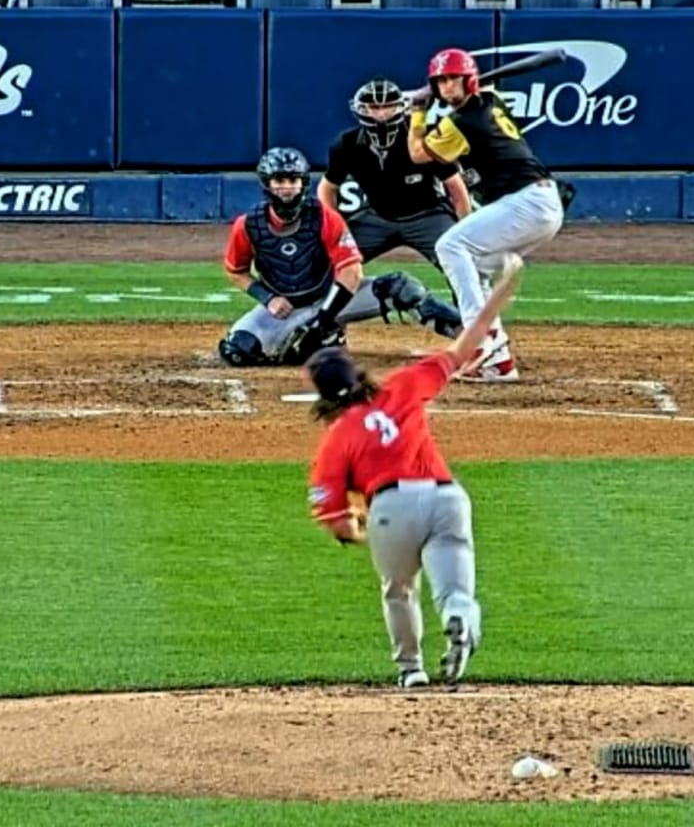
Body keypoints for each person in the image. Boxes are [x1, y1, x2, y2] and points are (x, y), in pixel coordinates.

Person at [303, 251, 525, 689]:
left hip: (391, 507)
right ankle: (461, 616)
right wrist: (505, 287)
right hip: (447, 498)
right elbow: (467, 342)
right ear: (359, 374)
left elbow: (337, 522)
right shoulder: (404, 386)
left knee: (399, 590)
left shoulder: (338, 436)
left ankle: (412, 671)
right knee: (454, 589)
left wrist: (366, 528)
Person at [217, 146, 462, 368]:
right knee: (238, 350)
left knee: (403, 288)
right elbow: (235, 270)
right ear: (267, 185)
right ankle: (325, 341)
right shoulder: (248, 225)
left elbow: (351, 271)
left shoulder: (325, 217)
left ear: (303, 183)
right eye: (279, 180)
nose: (287, 188)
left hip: (331, 299)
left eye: (293, 180)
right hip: (286, 306)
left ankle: (471, 338)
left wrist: (324, 318)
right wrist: (268, 298)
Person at [406, 48, 565, 384]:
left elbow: (418, 154)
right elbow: (461, 117)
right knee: (473, 267)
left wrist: (418, 112)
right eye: (441, 82)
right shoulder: (490, 100)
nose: (448, 87)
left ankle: (480, 345)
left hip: (526, 201)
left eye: (454, 79)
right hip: (536, 202)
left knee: (450, 245)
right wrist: (435, 102)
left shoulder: (461, 121)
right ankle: (499, 361)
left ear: (470, 80)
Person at [317, 78, 473, 273]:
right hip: (377, 216)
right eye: (374, 107)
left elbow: (455, 185)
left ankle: (474, 304)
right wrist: (337, 228)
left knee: (461, 262)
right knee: (325, 263)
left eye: (389, 106)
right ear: (361, 109)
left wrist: (464, 230)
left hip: (427, 215)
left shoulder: (420, 137)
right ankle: (327, 304)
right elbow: (327, 188)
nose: (382, 113)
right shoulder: (346, 144)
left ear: (400, 107)